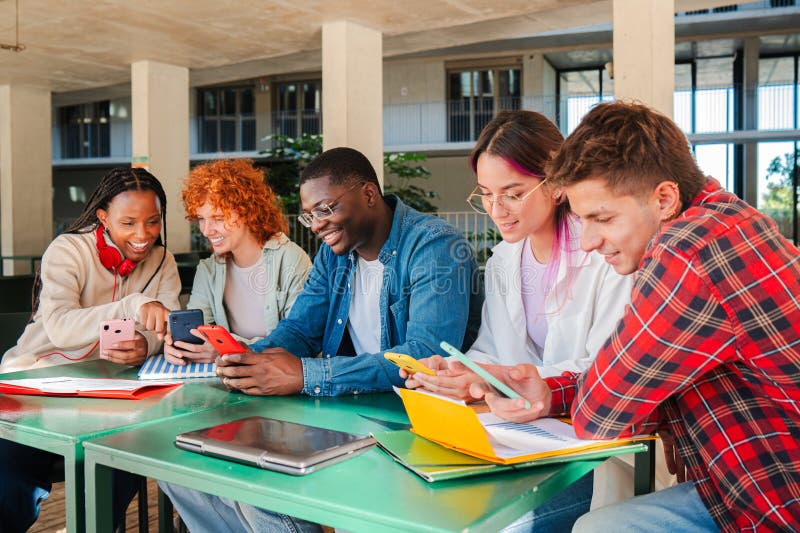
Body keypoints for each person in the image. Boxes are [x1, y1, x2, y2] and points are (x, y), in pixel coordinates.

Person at [471, 101, 800, 532]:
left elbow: (602, 411)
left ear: (663, 198)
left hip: (771, 498)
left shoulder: (687, 252)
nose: (587, 241)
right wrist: (553, 391)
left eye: (601, 218)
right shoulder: (722, 214)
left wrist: (641, 405)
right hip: (729, 478)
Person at [160, 146, 484, 532]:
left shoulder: (433, 245)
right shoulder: (335, 254)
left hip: (416, 426)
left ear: (367, 194)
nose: (315, 224)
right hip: (351, 413)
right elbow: (299, 329)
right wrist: (245, 358)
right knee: (180, 469)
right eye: (310, 214)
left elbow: (421, 356)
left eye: (326, 209)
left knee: (265, 496)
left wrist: (306, 375)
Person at [403, 110, 633, 531]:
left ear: (556, 184)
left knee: (505, 524)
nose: (496, 209)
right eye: (486, 194)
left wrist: (495, 377)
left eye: (513, 192)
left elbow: (604, 370)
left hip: (588, 452)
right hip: (521, 440)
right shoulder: (506, 260)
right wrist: (458, 369)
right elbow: (490, 348)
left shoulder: (605, 253)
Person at [0, 167, 181, 532]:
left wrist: (145, 345)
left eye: (152, 221)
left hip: (108, 397)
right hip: (36, 387)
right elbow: (62, 328)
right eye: (128, 222)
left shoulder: (164, 261)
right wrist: (133, 304)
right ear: (103, 216)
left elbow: (168, 326)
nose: (142, 235)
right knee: (9, 472)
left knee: (125, 458)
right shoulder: (68, 249)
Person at [163, 159, 311, 364]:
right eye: (201, 219)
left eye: (218, 218)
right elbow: (198, 335)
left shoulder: (291, 259)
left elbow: (300, 341)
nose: (206, 230)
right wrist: (179, 347)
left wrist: (229, 349)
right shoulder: (208, 270)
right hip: (233, 379)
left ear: (248, 212)